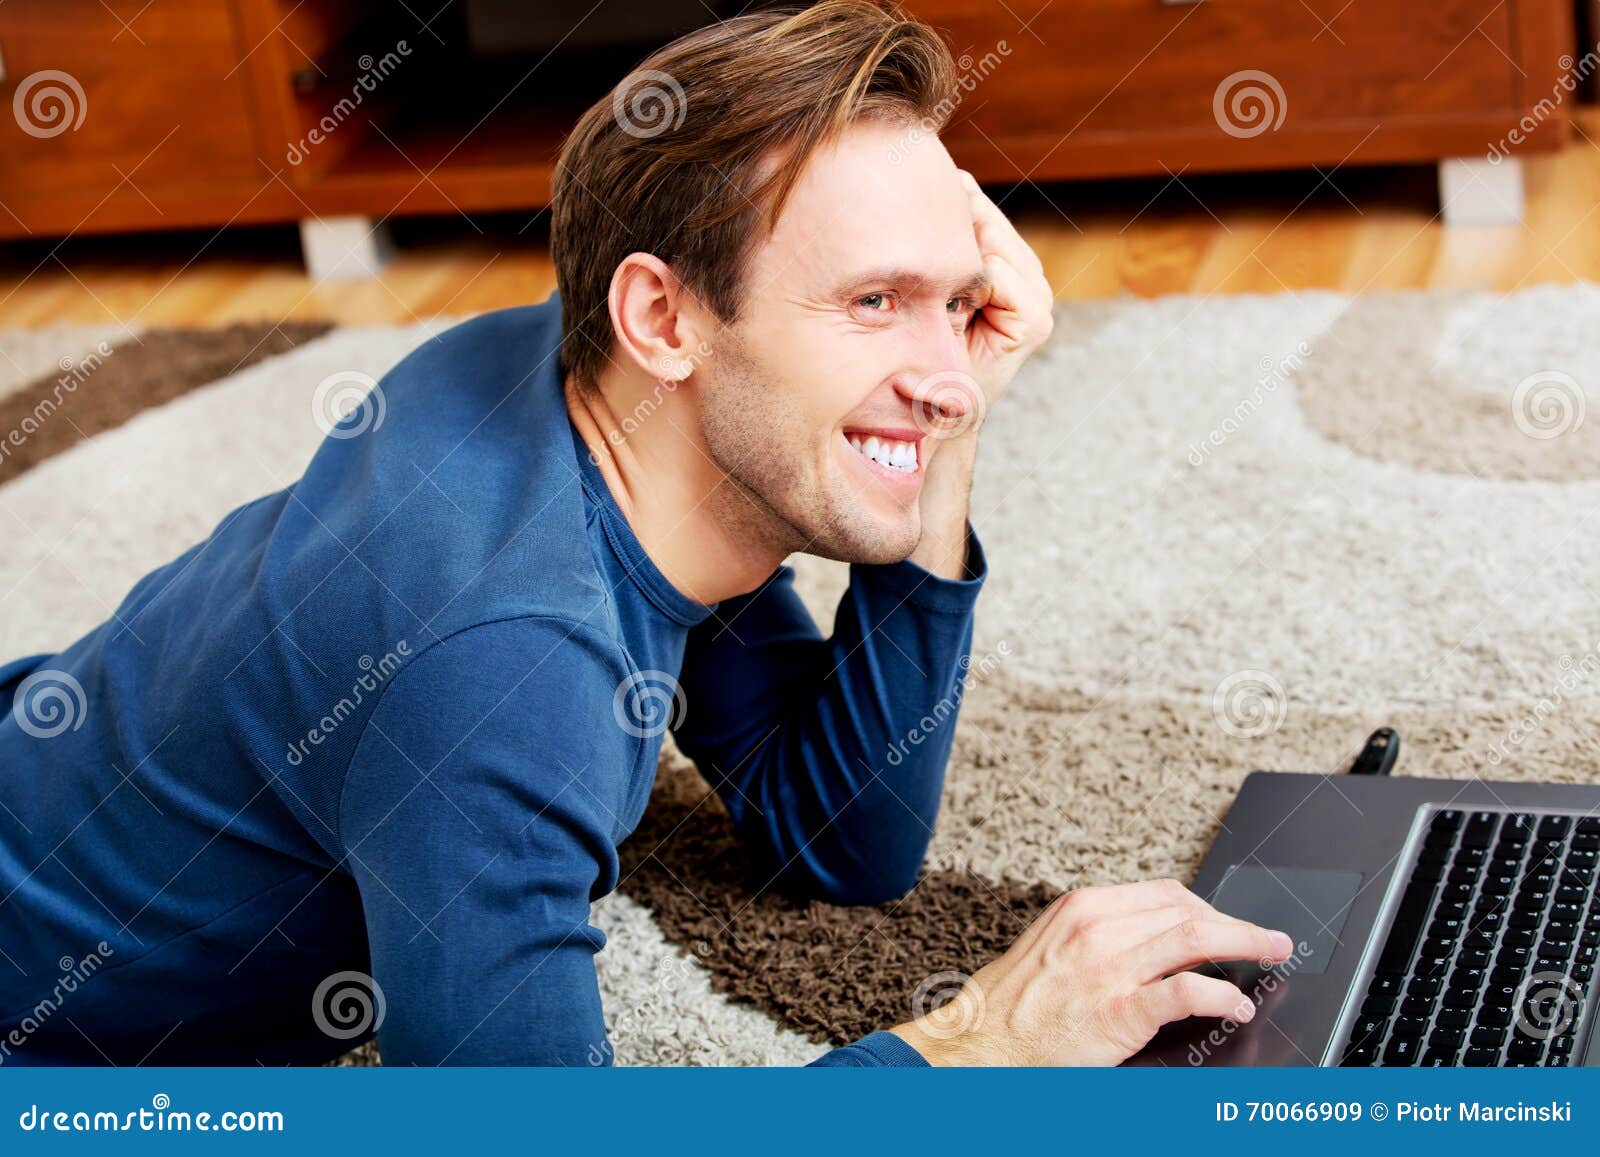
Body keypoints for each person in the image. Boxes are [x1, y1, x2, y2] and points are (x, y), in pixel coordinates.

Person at [0, 0, 1289, 1067]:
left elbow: (840, 838)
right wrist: (988, 1039)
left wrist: (935, 424)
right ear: (663, 319)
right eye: (874, 299)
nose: (951, 370)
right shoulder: (507, 663)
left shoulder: (598, 402)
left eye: (959, 305)